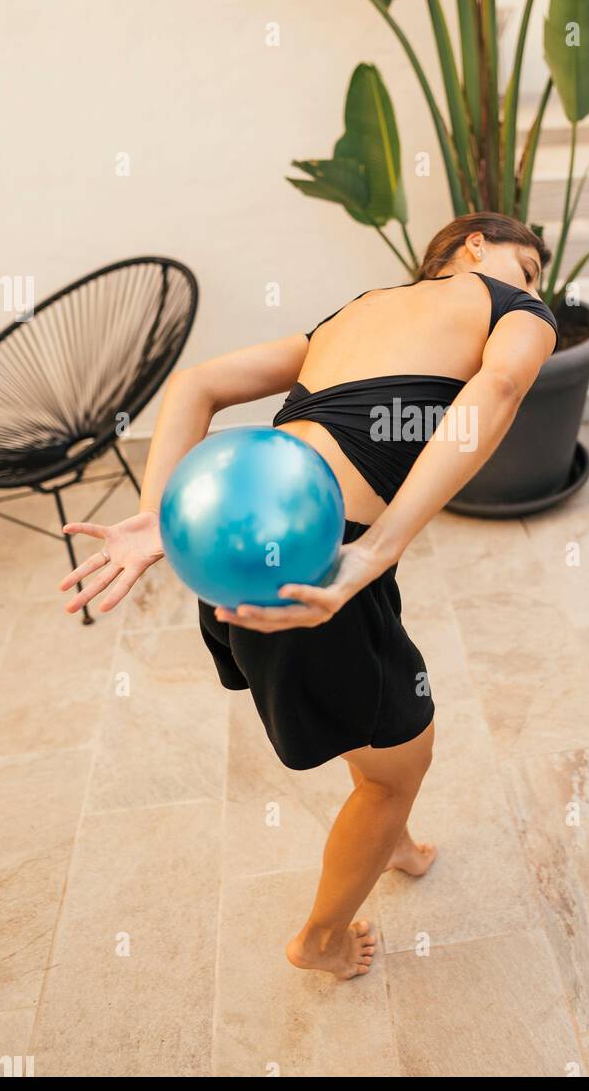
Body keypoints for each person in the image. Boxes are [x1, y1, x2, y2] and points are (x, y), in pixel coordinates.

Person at [59, 213, 559, 980]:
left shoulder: (352, 312)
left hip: (238, 545)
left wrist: (162, 515)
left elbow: (198, 384)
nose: (536, 291)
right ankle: (321, 941)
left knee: (384, 725)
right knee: (400, 767)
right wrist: (381, 547)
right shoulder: (515, 312)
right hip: (317, 575)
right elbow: (497, 387)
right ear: (476, 246)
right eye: (530, 269)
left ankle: (391, 843)